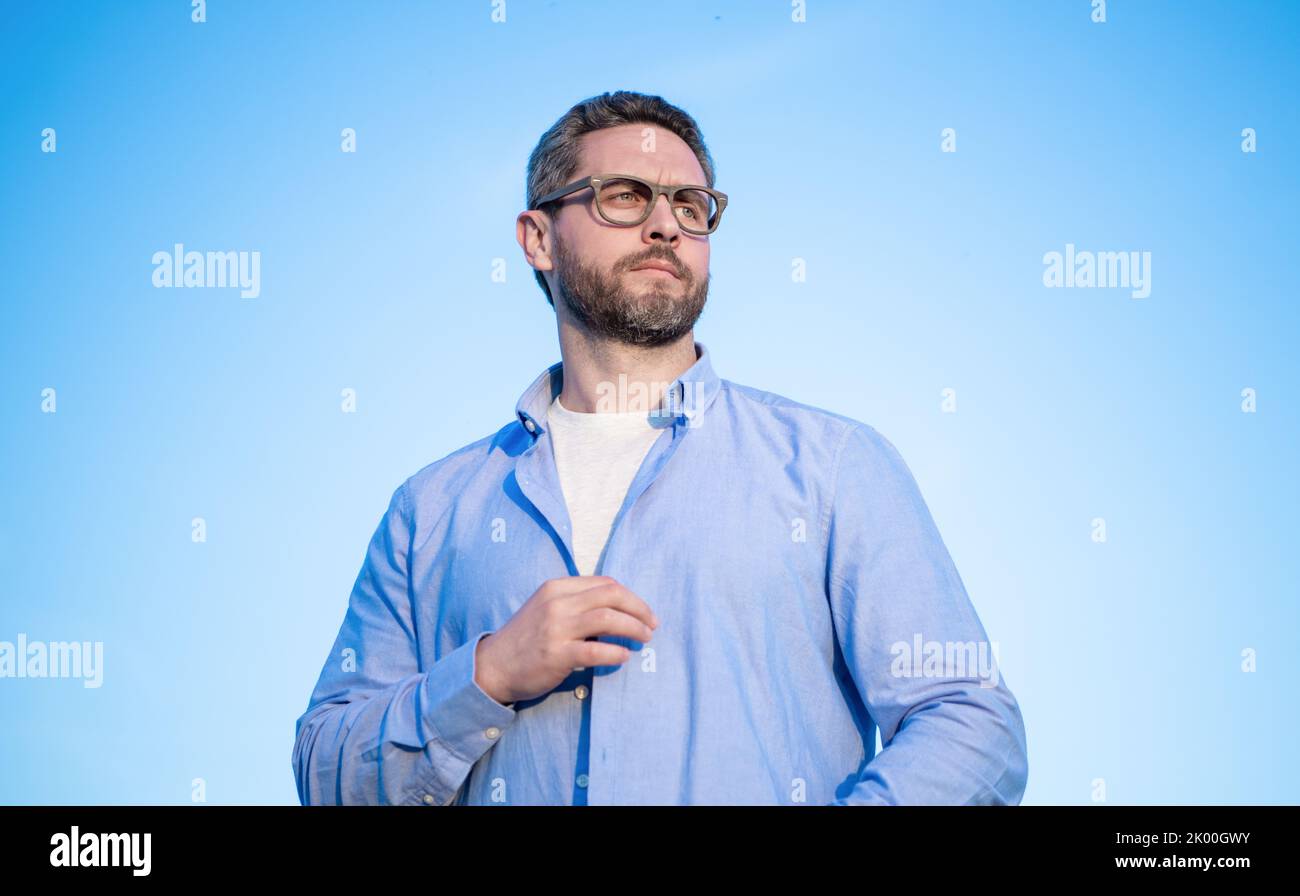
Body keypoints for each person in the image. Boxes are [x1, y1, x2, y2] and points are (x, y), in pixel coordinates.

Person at [291, 89, 1028, 806]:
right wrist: (488, 673)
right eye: (624, 196)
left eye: (689, 205)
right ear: (537, 238)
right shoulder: (429, 511)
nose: (666, 226)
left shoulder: (835, 468)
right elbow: (327, 772)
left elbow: (971, 725)